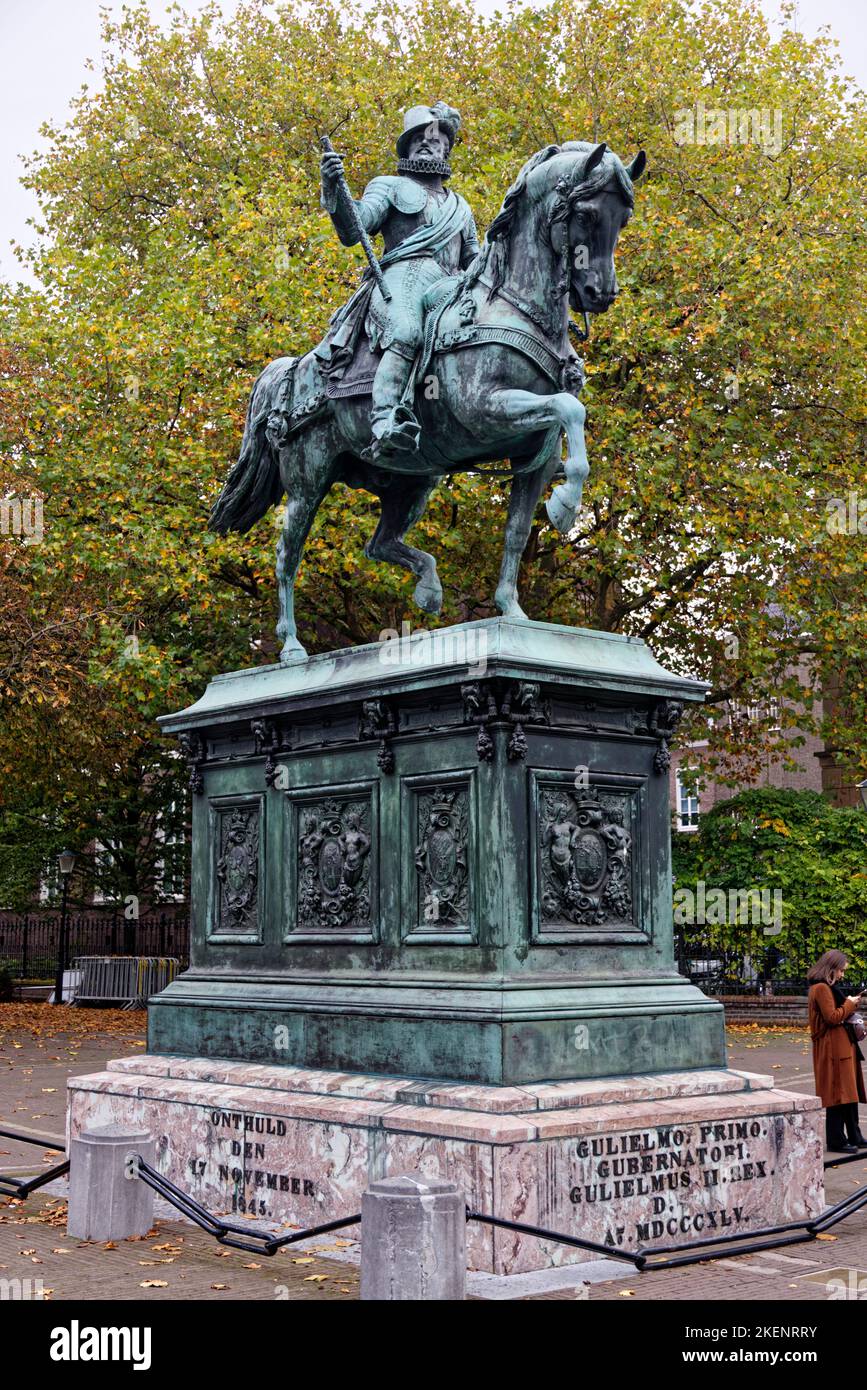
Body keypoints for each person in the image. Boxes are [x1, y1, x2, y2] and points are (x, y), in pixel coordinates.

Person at [318, 101, 480, 460]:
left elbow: (474, 260)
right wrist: (332, 189)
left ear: (446, 149)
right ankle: (385, 420)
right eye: (417, 138)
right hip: (402, 277)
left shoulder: (461, 207)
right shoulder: (389, 186)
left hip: (450, 287)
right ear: (406, 146)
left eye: (434, 140)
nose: (426, 143)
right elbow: (354, 228)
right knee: (407, 332)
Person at [807, 949, 867, 1153]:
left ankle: (854, 1135)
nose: (842, 974)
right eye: (840, 970)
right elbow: (832, 1017)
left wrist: (850, 1003)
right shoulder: (821, 988)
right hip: (833, 1048)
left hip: (842, 1046)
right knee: (837, 1094)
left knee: (848, 1093)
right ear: (831, 968)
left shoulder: (827, 987)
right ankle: (836, 1140)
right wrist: (850, 1004)